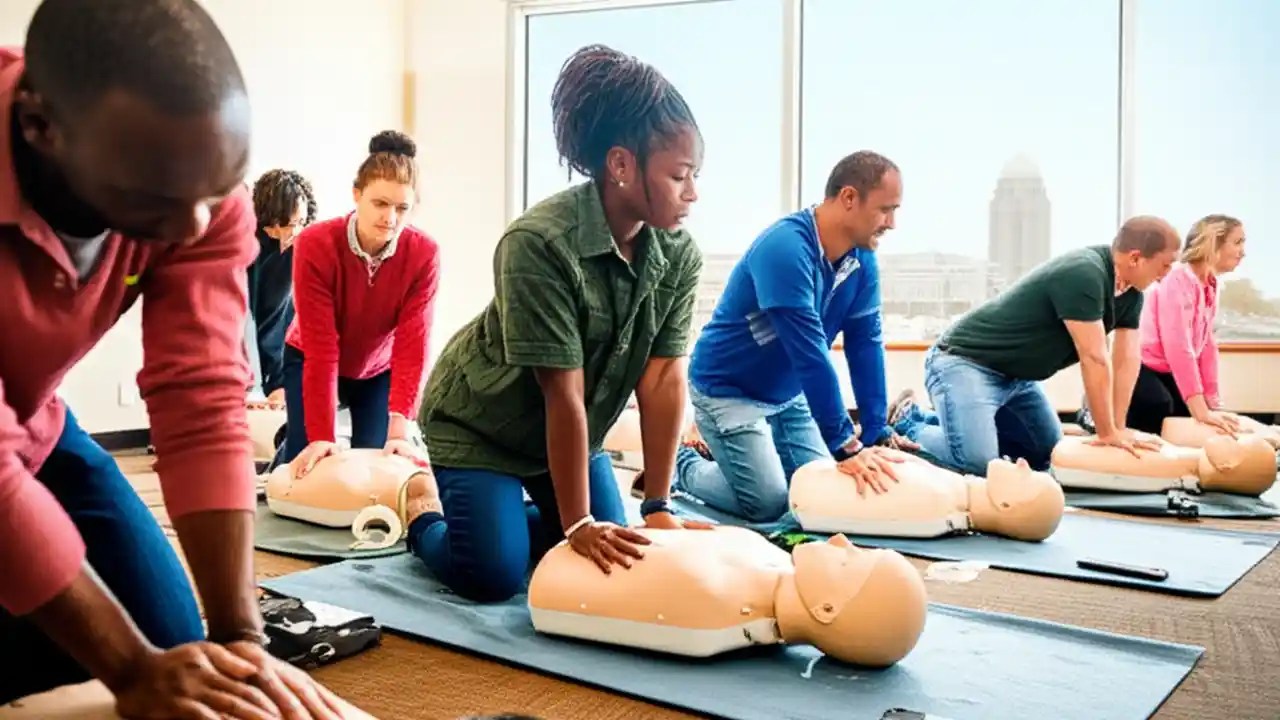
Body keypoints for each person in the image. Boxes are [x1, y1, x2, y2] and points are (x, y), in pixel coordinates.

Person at [0, 0, 347, 717]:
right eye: (160, 195)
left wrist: (240, 639)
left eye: (213, 194)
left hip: (34, 422)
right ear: (41, 129)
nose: (193, 224)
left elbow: (202, 394)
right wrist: (127, 671)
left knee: (178, 644)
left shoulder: (195, 192)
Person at [407, 44, 706, 603]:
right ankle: (424, 513)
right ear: (621, 165)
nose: (692, 193)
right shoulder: (538, 243)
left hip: (573, 432)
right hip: (482, 427)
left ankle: (507, 515)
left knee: (611, 554)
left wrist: (659, 505)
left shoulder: (679, 254)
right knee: (493, 575)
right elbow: (561, 393)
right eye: (679, 176)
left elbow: (663, 379)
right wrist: (576, 523)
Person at [669, 152, 911, 523]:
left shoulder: (862, 261)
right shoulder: (785, 249)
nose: (892, 223)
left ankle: (740, 461)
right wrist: (845, 446)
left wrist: (875, 432)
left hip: (788, 393)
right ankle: (682, 463)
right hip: (728, 391)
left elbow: (865, 345)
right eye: (885, 210)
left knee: (818, 495)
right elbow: (810, 353)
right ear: (849, 198)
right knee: (769, 504)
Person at [890, 217, 1182, 476]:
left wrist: (1118, 429)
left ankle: (946, 425)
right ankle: (907, 421)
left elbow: (1126, 360)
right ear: (1135, 258)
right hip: (964, 363)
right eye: (1165, 265)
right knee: (978, 464)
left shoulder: (1131, 294)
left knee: (1043, 452)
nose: (1166, 275)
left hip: (1015, 379)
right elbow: (1094, 357)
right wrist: (1106, 433)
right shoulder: (1085, 273)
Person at [273, 131, 439, 476]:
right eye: (380, 204)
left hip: (376, 369)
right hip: (309, 356)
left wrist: (400, 429)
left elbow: (412, 345)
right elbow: (322, 346)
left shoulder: (424, 254)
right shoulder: (315, 244)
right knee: (309, 461)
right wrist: (320, 435)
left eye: (402, 208)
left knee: (372, 467)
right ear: (357, 195)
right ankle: (288, 448)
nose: (390, 218)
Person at [1127, 214, 1245, 435]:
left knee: (1190, 415)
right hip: (1142, 366)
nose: (1243, 252)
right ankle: (1093, 418)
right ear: (1213, 242)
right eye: (1238, 242)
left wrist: (1212, 404)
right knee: (1160, 404)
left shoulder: (1210, 284)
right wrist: (1200, 410)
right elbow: (1179, 347)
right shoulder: (1177, 279)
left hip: (1167, 369)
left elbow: (1207, 346)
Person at [245, 168, 317, 409]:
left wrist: (279, 383)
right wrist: (251, 384)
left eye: (301, 222)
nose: (296, 232)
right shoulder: (244, 243)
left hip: (275, 361)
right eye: (289, 224)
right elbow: (247, 321)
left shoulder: (295, 247)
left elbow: (277, 319)